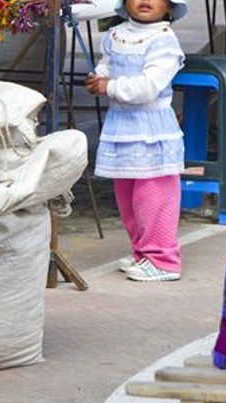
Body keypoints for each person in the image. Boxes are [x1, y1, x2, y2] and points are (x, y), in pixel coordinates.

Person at [86, 0, 187, 282]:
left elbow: (148, 87)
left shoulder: (164, 40)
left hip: (152, 130)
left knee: (153, 198)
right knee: (128, 197)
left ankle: (164, 260)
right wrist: (99, 77)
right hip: (122, 127)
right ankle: (143, 251)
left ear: (170, 7)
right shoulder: (115, 35)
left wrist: (110, 86)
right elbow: (107, 65)